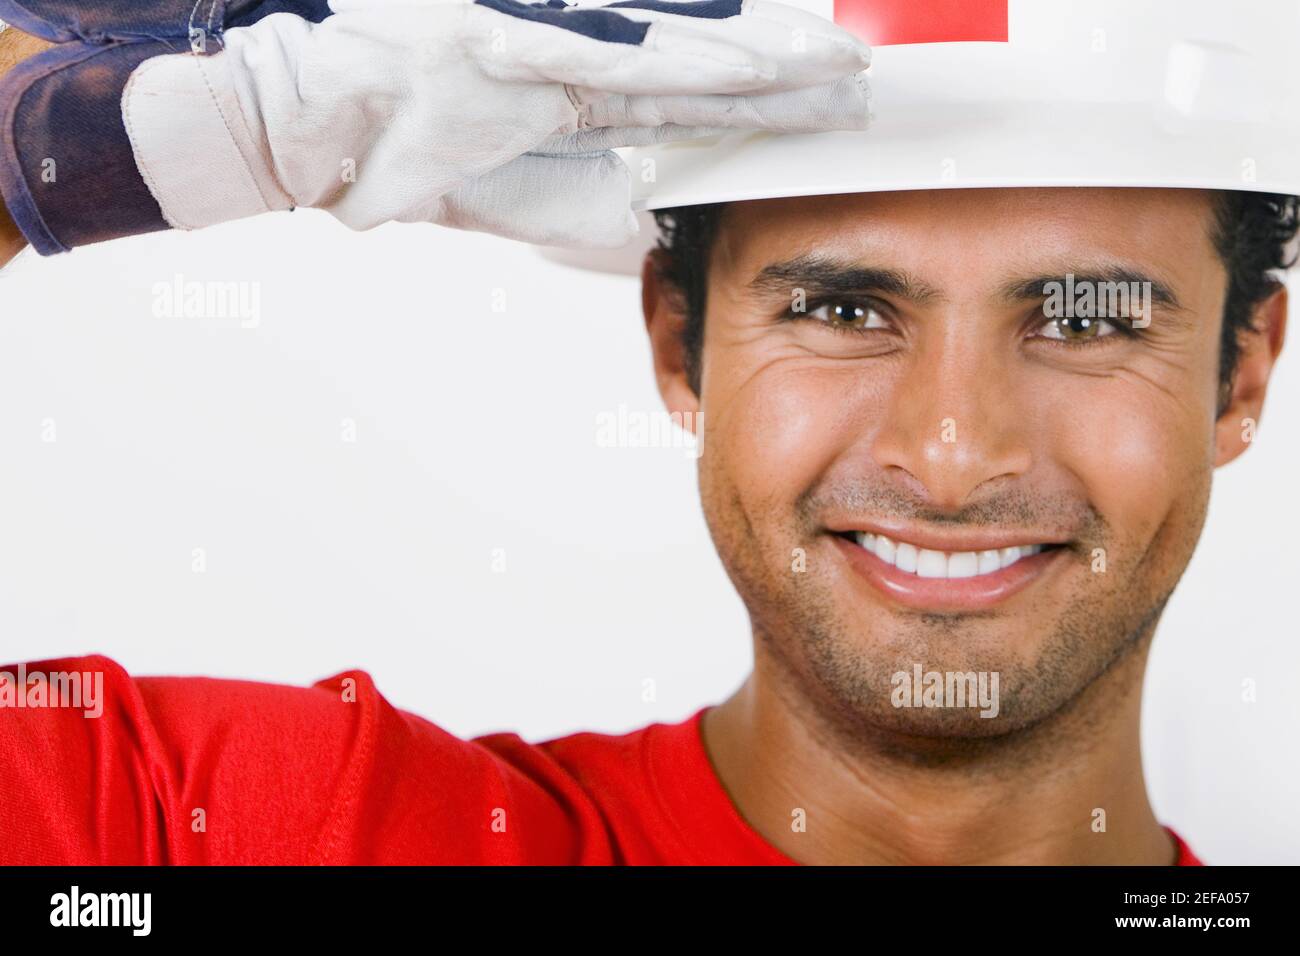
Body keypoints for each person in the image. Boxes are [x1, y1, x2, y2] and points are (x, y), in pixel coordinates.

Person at [0, 3, 1292, 865]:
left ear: (1243, 373)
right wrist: (67, 149)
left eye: (1081, 324)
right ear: (678, 340)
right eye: (843, 306)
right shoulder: (289, 831)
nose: (952, 454)